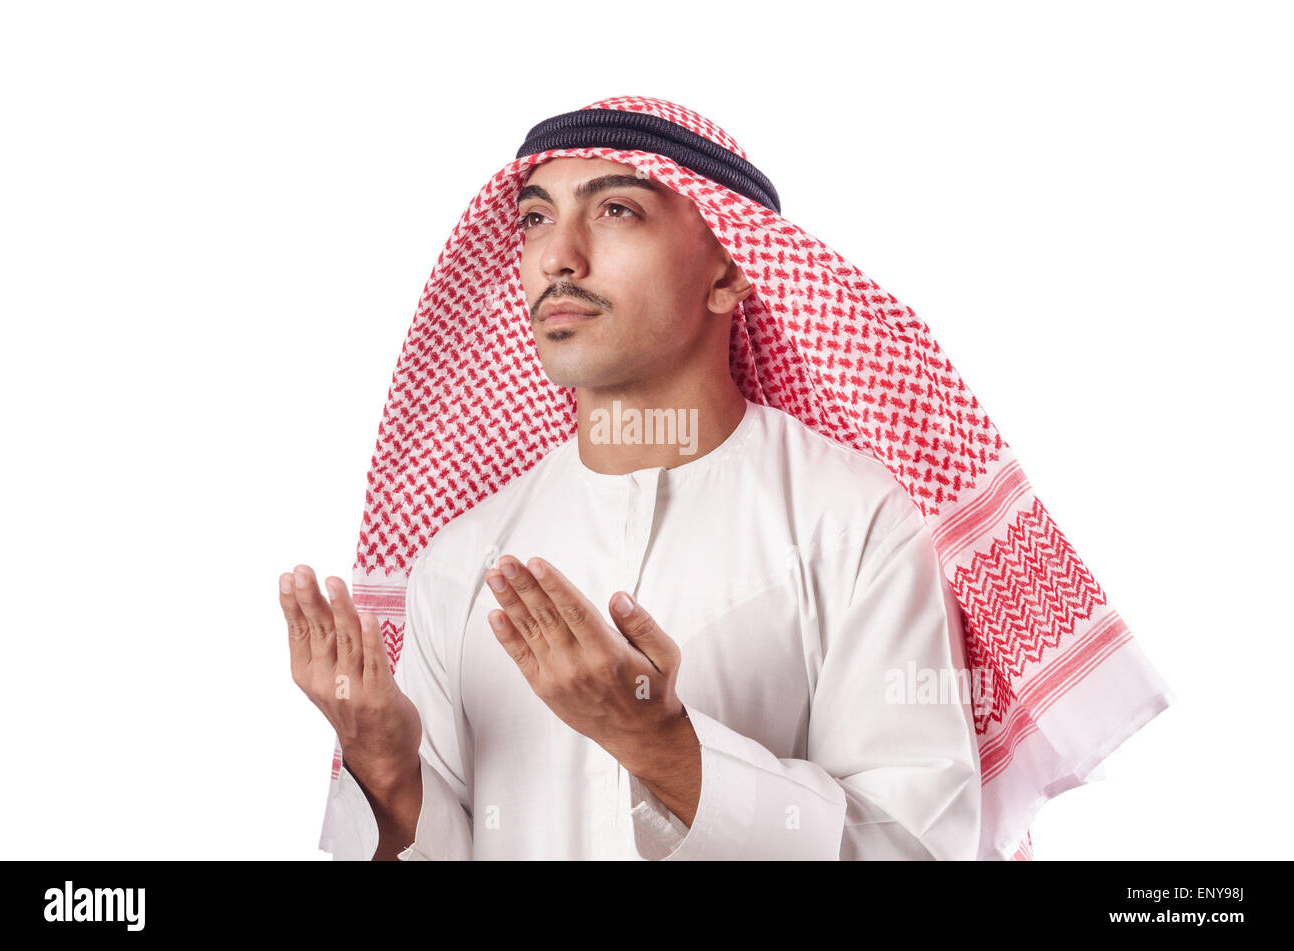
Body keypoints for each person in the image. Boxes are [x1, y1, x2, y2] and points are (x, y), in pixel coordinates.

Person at [280, 96, 1174, 861]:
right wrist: (388, 776)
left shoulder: (856, 520)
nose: (558, 256)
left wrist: (664, 745)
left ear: (731, 268)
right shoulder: (463, 559)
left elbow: (915, 845)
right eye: (535, 218)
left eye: (616, 211)